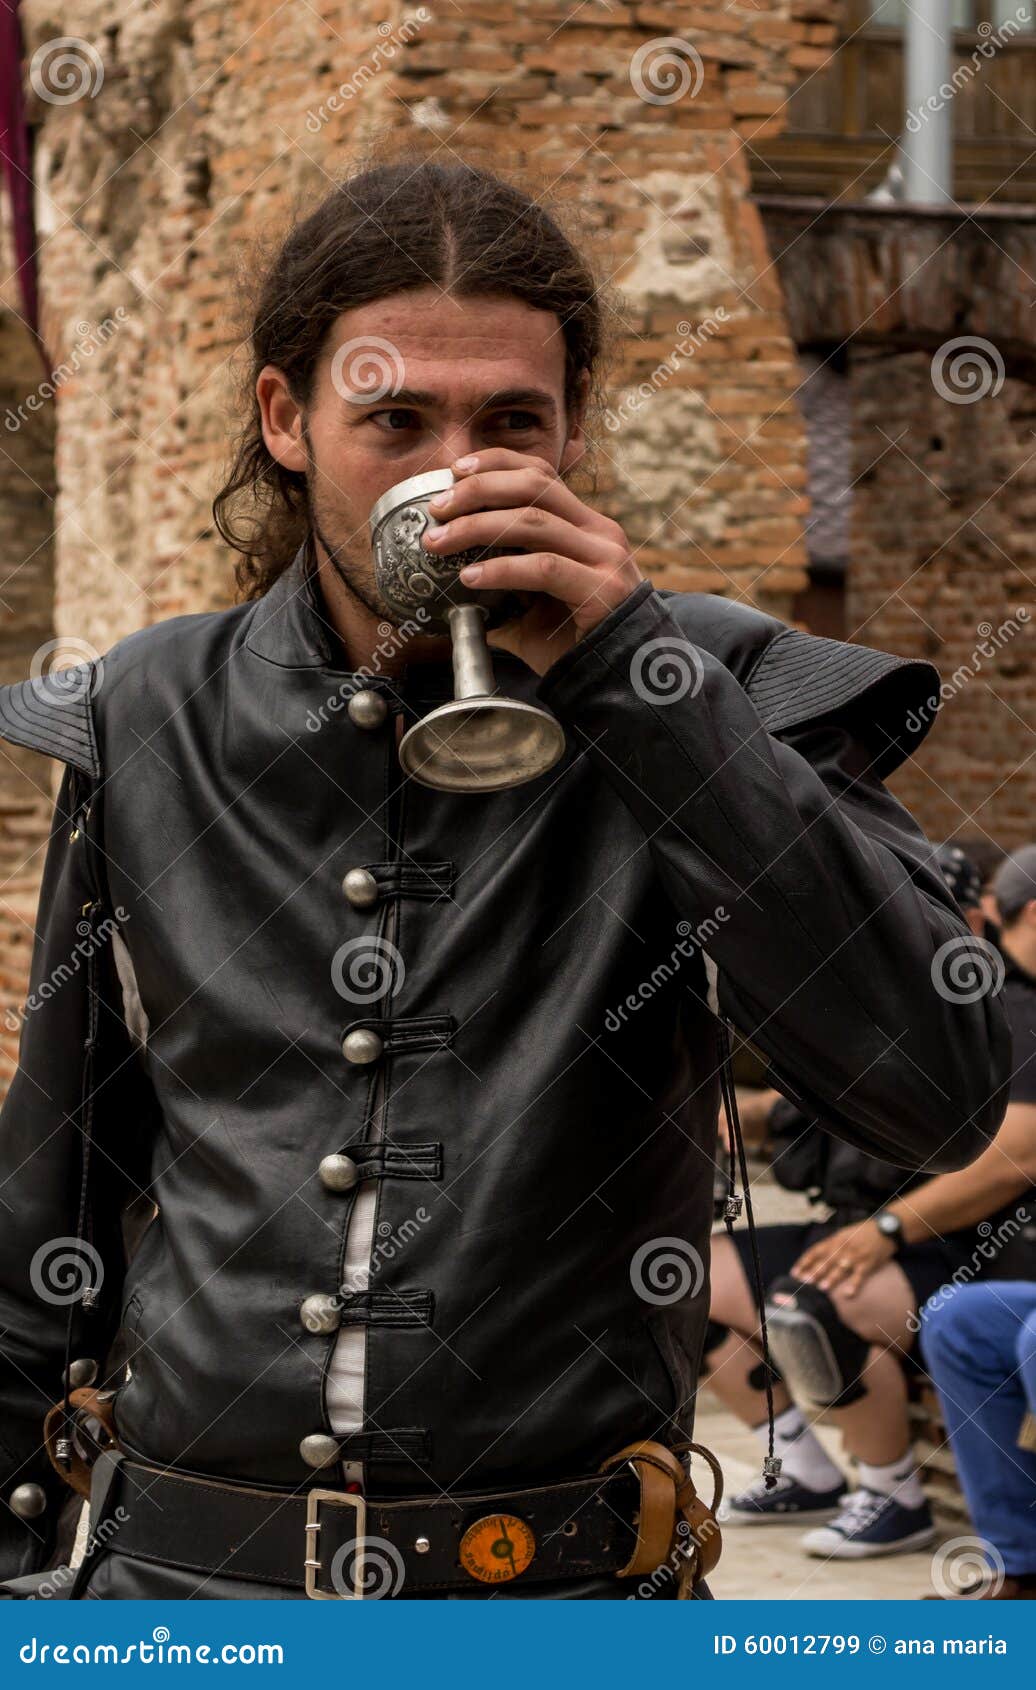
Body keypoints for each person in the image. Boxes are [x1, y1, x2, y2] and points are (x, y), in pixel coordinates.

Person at [0, 153, 1010, 1601]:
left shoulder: (715, 692)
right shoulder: (152, 715)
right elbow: (52, 1193)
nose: (449, 472)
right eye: (394, 419)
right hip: (183, 1588)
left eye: (507, 424)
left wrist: (642, 691)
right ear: (287, 419)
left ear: (574, 435)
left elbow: (941, 1083)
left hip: (559, 1595)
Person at [708, 843, 1036, 1558]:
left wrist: (887, 1229)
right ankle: (800, 1465)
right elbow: (814, 1111)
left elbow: (1017, 1154)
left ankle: (891, 1495)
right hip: (857, 1221)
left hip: (947, 1243)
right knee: (688, 1282)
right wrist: (735, 1113)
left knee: (813, 1306)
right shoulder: (893, 1005)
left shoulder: (1011, 1009)